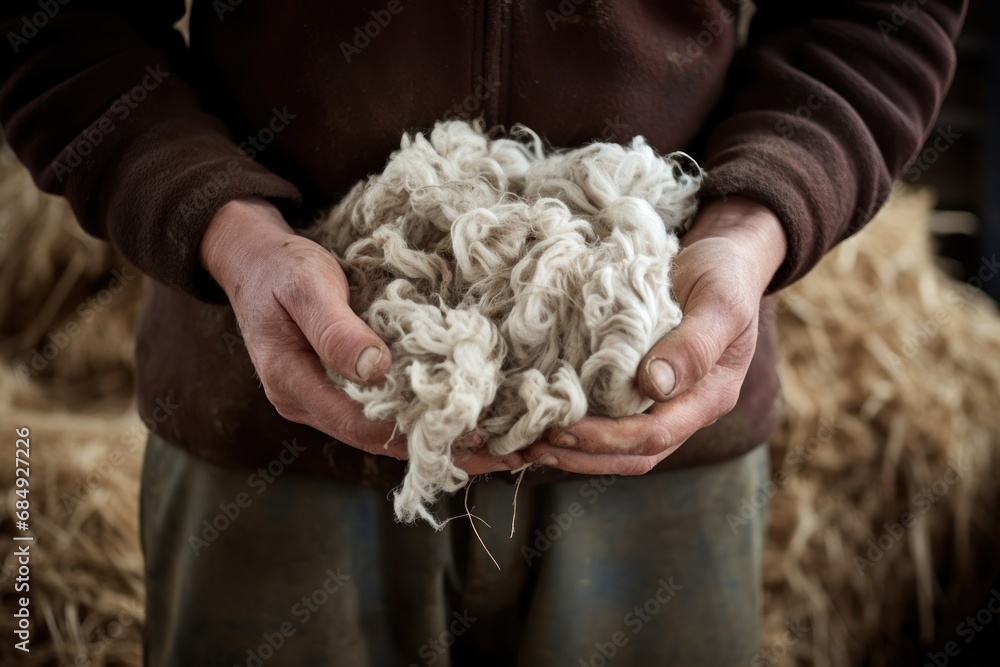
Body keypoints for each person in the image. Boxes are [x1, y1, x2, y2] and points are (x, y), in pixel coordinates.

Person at [1, 1, 965, 664]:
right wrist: (224, 228)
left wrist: (753, 228)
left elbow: (880, 17)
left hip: (661, 396)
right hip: (266, 412)